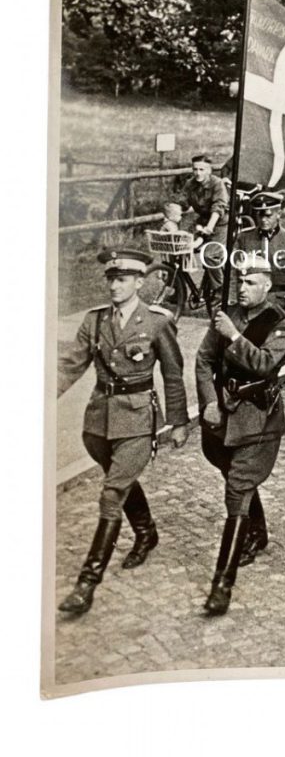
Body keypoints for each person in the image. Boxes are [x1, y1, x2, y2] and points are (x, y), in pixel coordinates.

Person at [57, 248, 189, 615]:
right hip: (98, 421)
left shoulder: (157, 321)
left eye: (123, 279)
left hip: (136, 419)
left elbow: (173, 375)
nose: (114, 286)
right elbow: (69, 366)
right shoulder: (95, 321)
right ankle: (146, 533)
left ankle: (87, 584)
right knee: (121, 479)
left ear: (139, 283)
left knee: (112, 492)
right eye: (111, 279)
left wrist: (178, 422)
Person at [195, 256, 285, 615]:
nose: (242, 288)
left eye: (251, 282)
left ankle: (222, 585)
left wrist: (233, 336)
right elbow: (204, 360)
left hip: (257, 418)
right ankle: (258, 532)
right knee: (233, 474)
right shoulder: (227, 315)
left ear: (267, 285)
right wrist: (208, 400)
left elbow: (265, 364)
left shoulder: (281, 322)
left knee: (237, 488)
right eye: (240, 281)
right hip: (223, 415)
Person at [172, 154, 230, 305]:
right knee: (178, 248)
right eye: (195, 169)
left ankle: (220, 289)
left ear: (209, 170)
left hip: (219, 224)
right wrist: (171, 216)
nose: (198, 173)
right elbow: (181, 202)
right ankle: (178, 289)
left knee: (210, 255)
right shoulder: (190, 183)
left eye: (202, 169)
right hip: (201, 222)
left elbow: (218, 208)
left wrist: (210, 227)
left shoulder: (217, 184)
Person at [234, 191, 285, 309]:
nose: (263, 220)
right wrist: (232, 301)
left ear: (278, 214)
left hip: (279, 302)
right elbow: (233, 272)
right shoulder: (244, 237)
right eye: (260, 215)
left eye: (268, 215)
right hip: (251, 301)